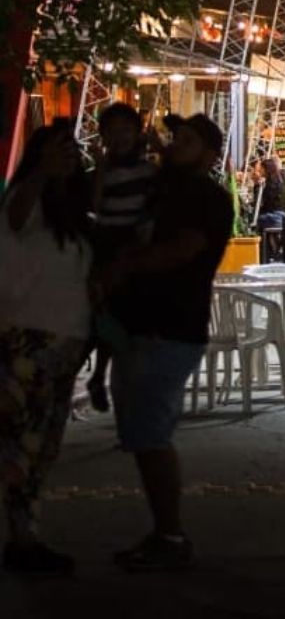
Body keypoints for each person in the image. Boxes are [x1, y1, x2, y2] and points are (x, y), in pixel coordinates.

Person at [99, 114, 233, 571]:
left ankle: (169, 534)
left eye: (189, 140)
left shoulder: (206, 198)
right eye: (176, 137)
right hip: (142, 325)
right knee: (140, 433)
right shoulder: (161, 190)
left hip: (171, 327)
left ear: (210, 153)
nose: (176, 144)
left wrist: (125, 266)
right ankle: (164, 531)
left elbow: (183, 249)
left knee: (151, 435)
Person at [0, 121, 93, 576]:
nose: (68, 158)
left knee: (43, 445)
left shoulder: (73, 213)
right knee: (22, 443)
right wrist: (40, 173)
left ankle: (25, 535)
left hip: (66, 343)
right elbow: (13, 216)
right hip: (27, 339)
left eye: (72, 151)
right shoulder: (27, 202)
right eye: (58, 150)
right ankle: (22, 537)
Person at [87, 104, 159, 411]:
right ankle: (101, 376)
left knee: (131, 323)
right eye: (113, 131)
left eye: (126, 130)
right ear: (103, 136)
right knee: (109, 317)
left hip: (138, 248)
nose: (120, 137)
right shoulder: (97, 172)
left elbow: (163, 198)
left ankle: (117, 389)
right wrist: (101, 169)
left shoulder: (148, 170)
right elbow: (92, 206)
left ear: (137, 133)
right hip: (107, 245)